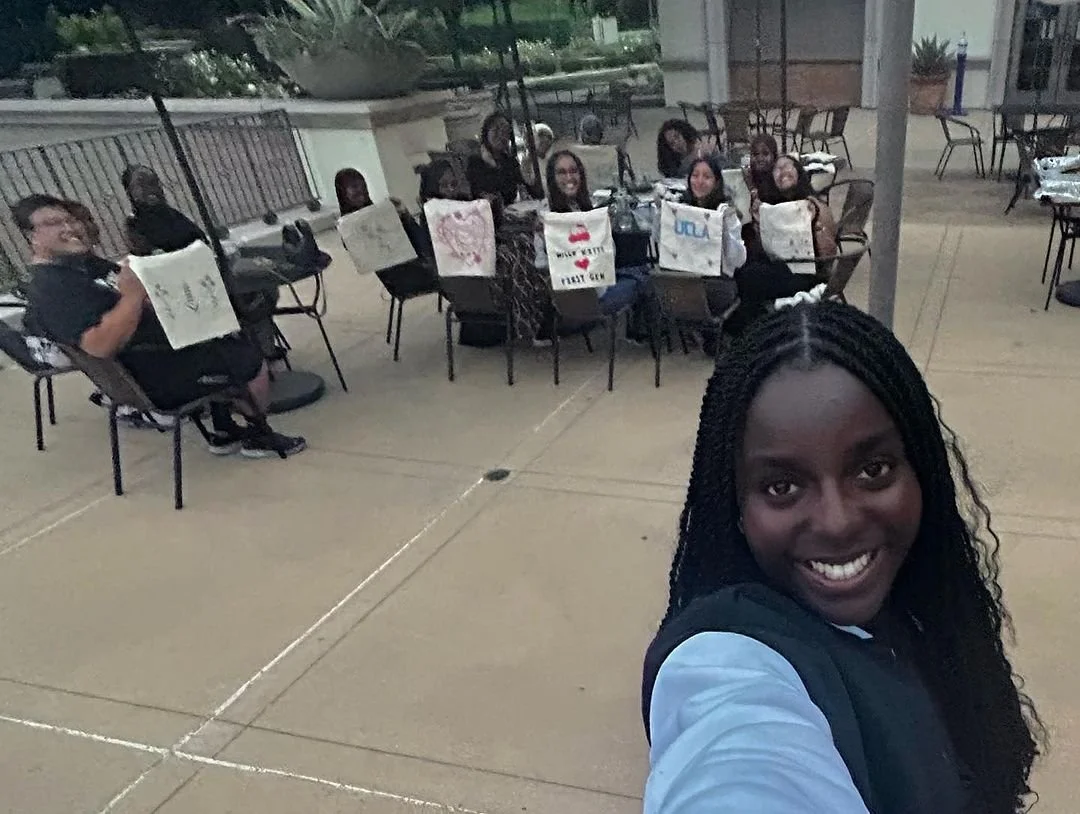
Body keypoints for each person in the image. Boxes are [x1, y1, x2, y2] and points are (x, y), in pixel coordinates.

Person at [642, 301, 1043, 814]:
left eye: (873, 470)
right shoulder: (731, 668)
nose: (837, 521)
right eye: (782, 485)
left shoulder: (920, 612)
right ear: (735, 506)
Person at [13, 194, 305, 458]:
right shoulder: (54, 288)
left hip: (156, 356)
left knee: (217, 329)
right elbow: (99, 345)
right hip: (152, 378)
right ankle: (258, 435)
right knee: (248, 356)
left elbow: (128, 292)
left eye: (69, 219)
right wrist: (134, 294)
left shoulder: (78, 268)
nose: (70, 227)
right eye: (53, 223)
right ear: (32, 237)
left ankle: (224, 432)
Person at [726, 155, 838, 337]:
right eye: (777, 170)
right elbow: (765, 249)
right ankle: (752, 327)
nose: (782, 171)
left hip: (808, 273)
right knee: (745, 267)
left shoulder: (814, 204)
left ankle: (748, 328)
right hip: (780, 267)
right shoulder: (771, 207)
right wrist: (759, 224)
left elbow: (829, 254)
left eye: (788, 166)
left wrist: (817, 225)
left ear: (799, 173)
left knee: (749, 278)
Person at [542, 150, 645, 316]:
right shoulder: (547, 217)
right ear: (552, 179)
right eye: (562, 172)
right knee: (644, 279)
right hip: (588, 301)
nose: (569, 177)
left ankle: (637, 333)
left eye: (573, 171)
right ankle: (641, 334)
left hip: (599, 285)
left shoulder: (583, 208)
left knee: (639, 265)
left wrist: (605, 231)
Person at [679, 155, 747, 354]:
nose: (699, 181)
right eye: (695, 175)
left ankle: (708, 333)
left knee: (702, 292)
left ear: (717, 182)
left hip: (718, 281)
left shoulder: (726, 213)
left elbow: (738, 260)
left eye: (707, 177)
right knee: (661, 286)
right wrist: (661, 217)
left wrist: (725, 230)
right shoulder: (681, 208)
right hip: (687, 277)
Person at [122, 165, 207, 256]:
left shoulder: (174, 215)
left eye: (153, 183)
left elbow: (201, 241)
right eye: (141, 185)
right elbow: (152, 258)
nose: (152, 189)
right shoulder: (134, 225)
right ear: (130, 192)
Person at [466, 112, 542, 207]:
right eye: (496, 129)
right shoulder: (475, 161)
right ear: (486, 132)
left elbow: (528, 188)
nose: (501, 135)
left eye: (505, 131)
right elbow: (476, 192)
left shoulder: (510, 162)